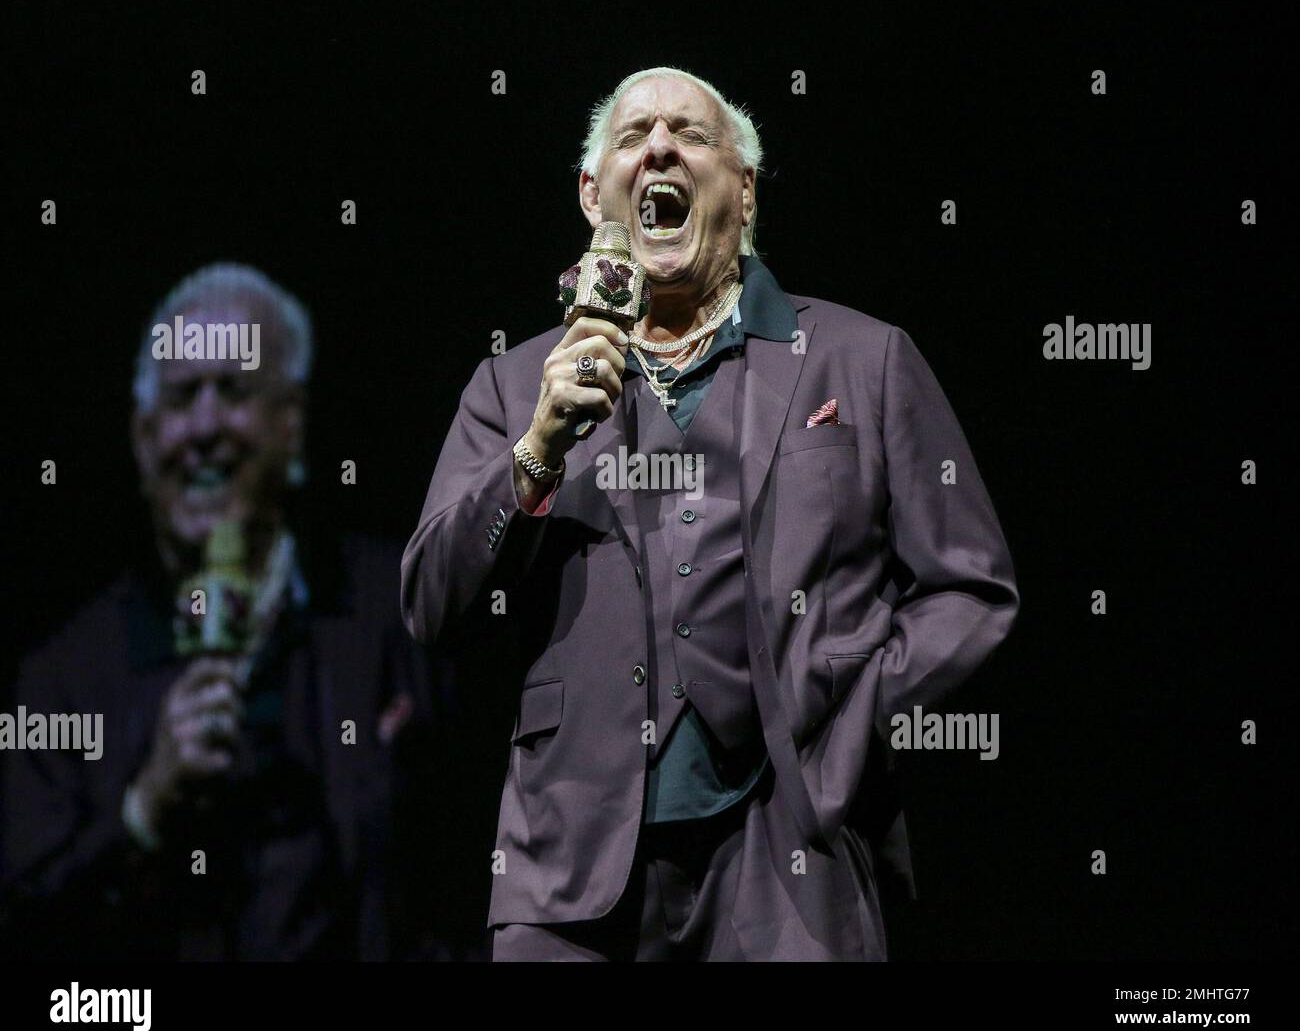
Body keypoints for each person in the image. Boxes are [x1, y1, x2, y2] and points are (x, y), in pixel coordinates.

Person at [402, 67, 1020, 960]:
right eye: (632, 136)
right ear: (592, 194)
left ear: (746, 191)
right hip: (570, 874)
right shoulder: (514, 383)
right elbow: (430, 602)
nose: (659, 146)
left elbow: (972, 588)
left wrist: (854, 709)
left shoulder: (861, 359)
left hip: (789, 862)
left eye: (691, 134)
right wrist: (535, 452)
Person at [2, 263, 445, 961]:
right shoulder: (63, 676)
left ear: (291, 426)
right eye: (181, 399)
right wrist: (142, 811)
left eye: (233, 390)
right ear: (144, 440)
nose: (205, 426)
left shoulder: (399, 609)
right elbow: (28, 927)